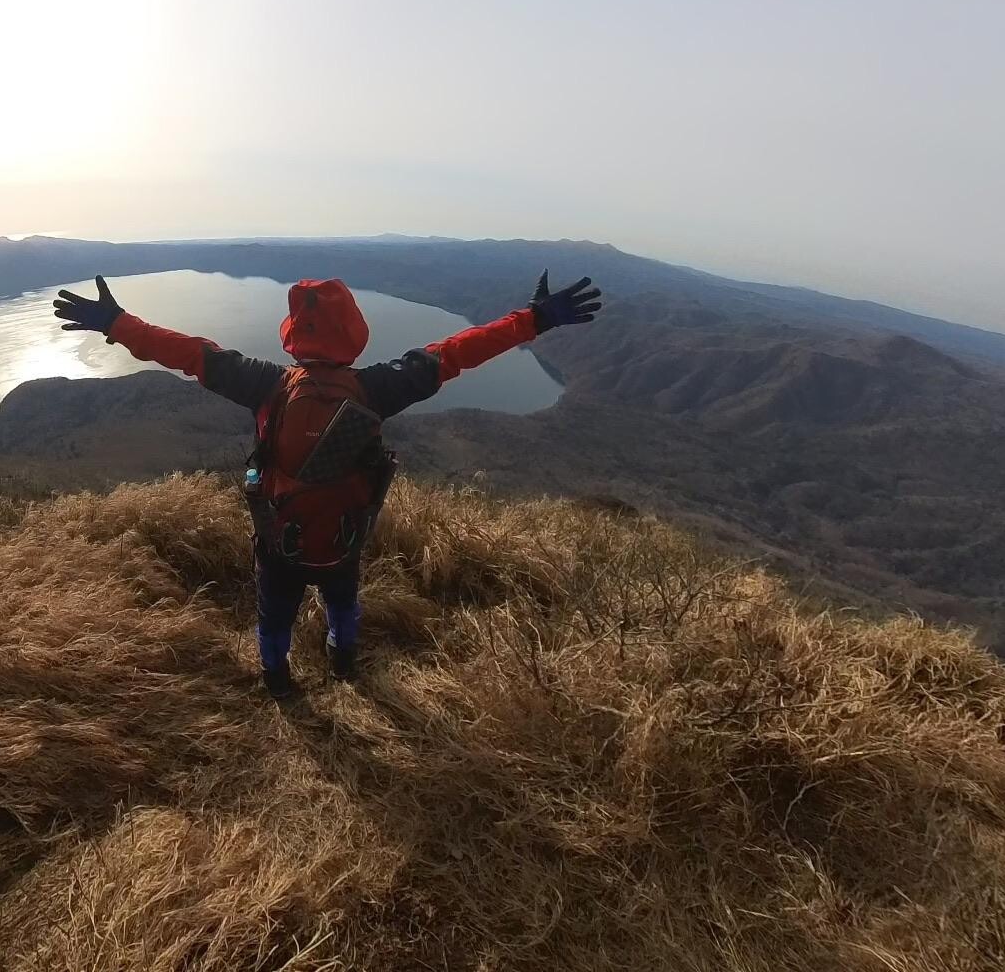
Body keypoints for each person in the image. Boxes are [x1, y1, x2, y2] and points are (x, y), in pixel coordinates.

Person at [53, 270, 603, 698]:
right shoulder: (379, 388)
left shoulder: (266, 384)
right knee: (343, 602)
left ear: (294, 335)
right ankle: (343, 663)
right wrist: (533, 320)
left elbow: (188, 354)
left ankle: (278, 681)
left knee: (274, 614)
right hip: (343, 536)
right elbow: (458, 351)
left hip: (279, 538)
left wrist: (116, 323)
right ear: (355, 335)